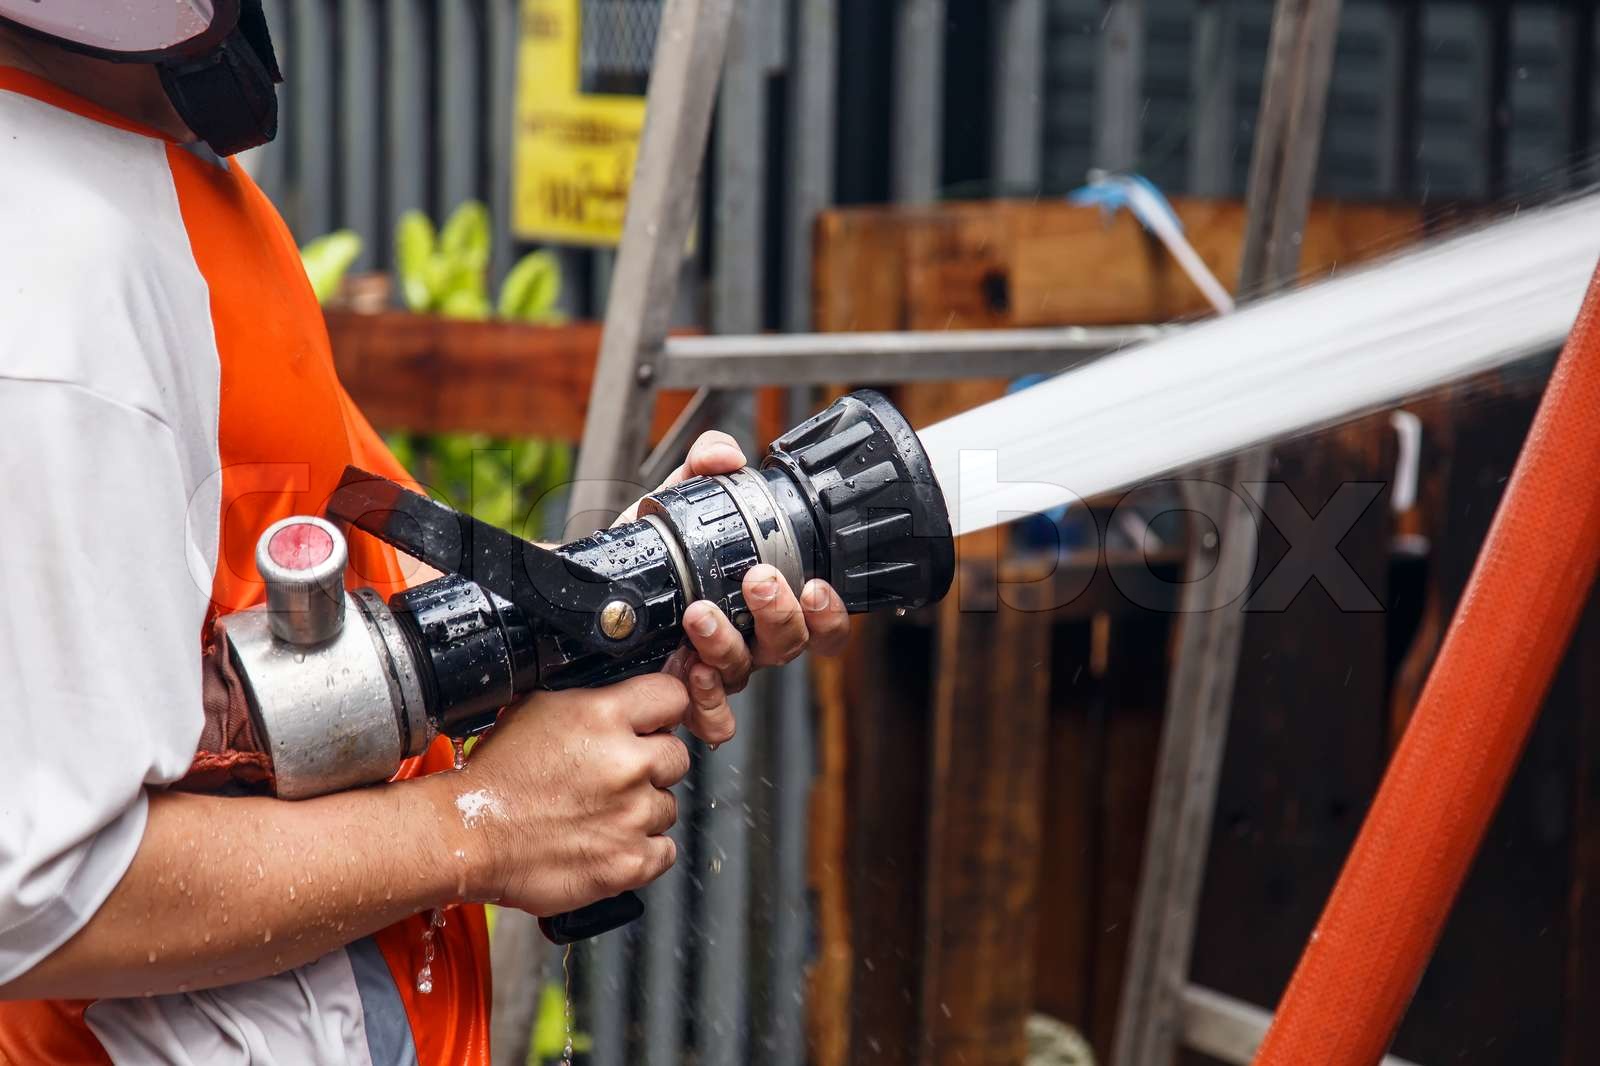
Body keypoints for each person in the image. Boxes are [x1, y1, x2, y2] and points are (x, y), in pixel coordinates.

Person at [0, 4, 849, 1062]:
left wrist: (621, 588)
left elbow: (347, 586)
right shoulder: (49, 262)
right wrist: (483, 821)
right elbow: (35, 890)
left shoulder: (146, 173)